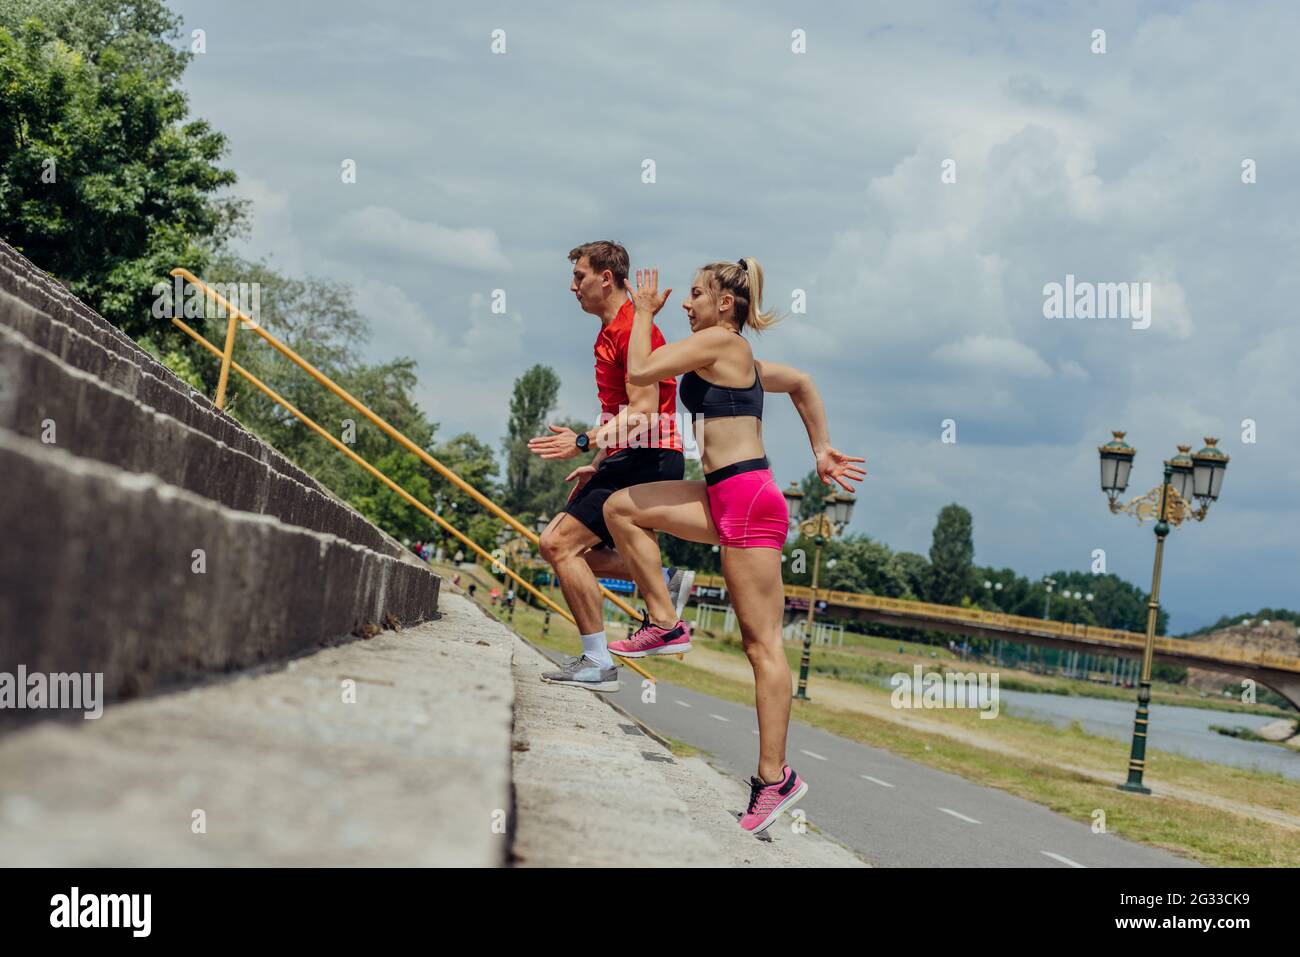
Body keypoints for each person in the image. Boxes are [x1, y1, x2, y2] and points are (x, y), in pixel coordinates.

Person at [602, 260, 865, 834]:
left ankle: (774, 779)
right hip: (723, 493)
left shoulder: (722, 343)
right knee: (620, 508)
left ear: (725, 304)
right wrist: (820, 448)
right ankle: (666, 621)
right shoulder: (731, 356)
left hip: (746, 498)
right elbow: (802, 384)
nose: (684, 303)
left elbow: (642, 368)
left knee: (762, 647)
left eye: (694, 295)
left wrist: (642, 312)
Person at [527, 241, 694, 694]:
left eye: (579, 276)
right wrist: (600, 461)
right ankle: (664, 580)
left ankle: (599, 662)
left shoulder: (631, 330)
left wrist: (584, 443)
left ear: (606, 277)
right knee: (569, 551)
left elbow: (643, 410)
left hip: (649, 456)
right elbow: (622, 410)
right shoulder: (611, 331)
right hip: (630, 455)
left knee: (557, 543)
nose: (572, 287)